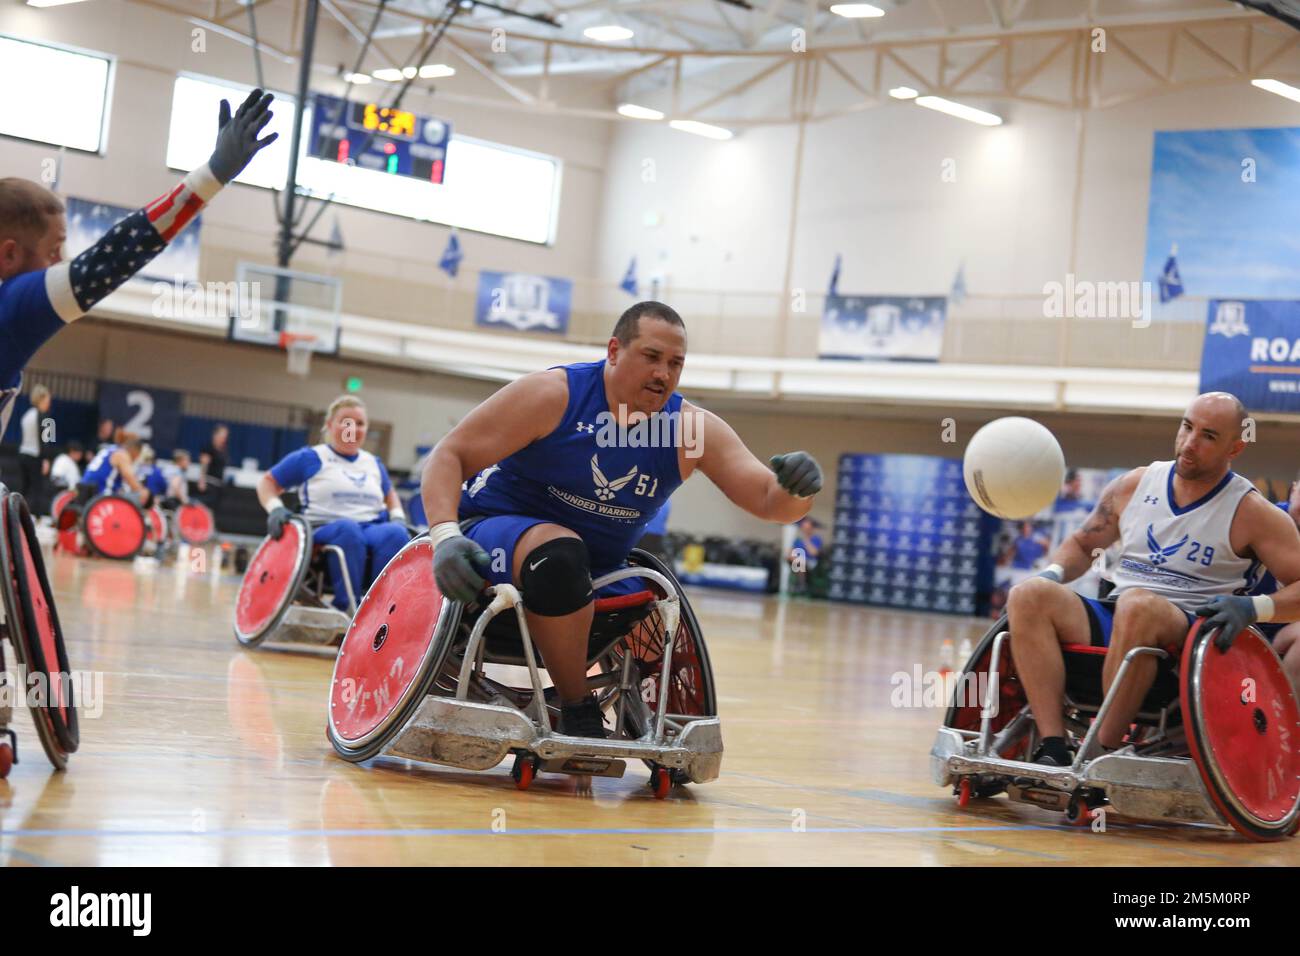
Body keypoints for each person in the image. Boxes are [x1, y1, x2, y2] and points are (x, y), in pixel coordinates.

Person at [421, 301, 823, 738]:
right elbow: (449, 454)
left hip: (595, 567)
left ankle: (651, 714)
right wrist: (444, 535)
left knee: (648, 589)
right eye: (651, 357)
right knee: (558, 553)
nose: (663, 374)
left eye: (675, 364)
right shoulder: (554, 395)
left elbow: (768, 501)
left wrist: (797, 491)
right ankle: (577, 704)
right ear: (614, 350)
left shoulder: (689, 429)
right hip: (498, 534)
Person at [1006, 392, 1300, 766]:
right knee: (1028, 594)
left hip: (1194, 636)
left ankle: (1100, 752)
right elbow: (1082, 544)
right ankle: (1053, 746)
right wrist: (1051, 575)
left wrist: (1252, 607)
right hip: (1120, 611)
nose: (1190, 443)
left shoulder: (1253, 512)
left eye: (1208, 436)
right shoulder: (1136, 484)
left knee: (1139, 606)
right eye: (1187, 427)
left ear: (1235, 448)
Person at [0, 89, 278, 439]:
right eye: (54, 250)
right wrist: (212, 176)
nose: (62, 261)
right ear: (9, 255)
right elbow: (114, 255)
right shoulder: (12, 307)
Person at [257, 396, 410, 613]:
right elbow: (267, 483)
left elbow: (390, 494)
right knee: (348, 529)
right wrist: (275, 508)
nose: (353, 428)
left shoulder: (373, 463)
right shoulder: (310, 457)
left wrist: (397, 516)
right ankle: (347, 607)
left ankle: (381, 611)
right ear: (329, 425)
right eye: (346, 422)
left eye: (360, 424)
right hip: (324, 526)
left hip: (369, 526)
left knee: (395, 534)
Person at [1247, 473, 1300, 694]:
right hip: (1242, 625)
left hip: (1283, 633)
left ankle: (1283, 715)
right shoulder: (1265, 521)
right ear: (1294, 488)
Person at [80, 433, 150, 504]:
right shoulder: (122, 455)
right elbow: (132, 482)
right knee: (142, 496)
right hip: (100, 496)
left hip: (84, 492)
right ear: (136, 451)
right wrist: (145, 493)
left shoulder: (111, 449)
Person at [17, 383, 51, 512]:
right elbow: (46, 440)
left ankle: (17, 514)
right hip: (35, 456)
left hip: (23, 453)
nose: (49, 403)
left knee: (25, 488)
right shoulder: (46, 417)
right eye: (48, 399)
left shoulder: (27, 414)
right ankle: (36, 517)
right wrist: (46, 459)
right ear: (41, 399)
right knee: (38, 489)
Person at [197, 424, 229, 511]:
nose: (224, 438)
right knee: (206, 508)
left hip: (219, 484)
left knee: (215, 508)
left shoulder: (224, 449)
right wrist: (202, 480)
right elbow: (204, 464)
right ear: (216, 435)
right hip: (209, 482)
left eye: (226, 436)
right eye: (223, 435)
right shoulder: (208, 447)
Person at [789, 515, 823, 595]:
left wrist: (806, 540)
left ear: (811, 528)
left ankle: (801, 584)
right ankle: (800, 584)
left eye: (807, 528)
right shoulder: (798, 540)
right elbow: (791, 553)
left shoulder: (816, 539)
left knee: (800, 561)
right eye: (803, 528)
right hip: (796, 562)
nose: (805, 530)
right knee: (798, 561)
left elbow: (814, 553)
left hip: (811, 562)